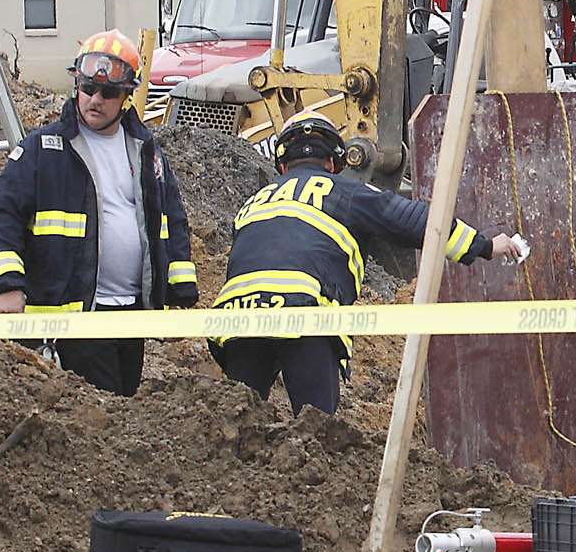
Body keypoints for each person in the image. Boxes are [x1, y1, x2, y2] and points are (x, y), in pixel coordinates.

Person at [209, 112, 521, 415]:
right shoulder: (344, 191)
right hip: (304, 316)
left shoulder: (252, 203)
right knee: (315, 431)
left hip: (237, 320)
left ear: (281, 165)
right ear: (333, 163)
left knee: (239, 426)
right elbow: (419, 222)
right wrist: (484, 245)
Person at [0, 30, 197, 397]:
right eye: (87, 88)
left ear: (127, 95)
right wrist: (7, 286)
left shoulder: (147, 151)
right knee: (104, 406)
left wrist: (179, 292)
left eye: (108, 92)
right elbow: (2, 215)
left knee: (123, 406)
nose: (95, 99)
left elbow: (171, 221)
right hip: (74, 314)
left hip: (131, 313)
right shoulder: (44, 149)